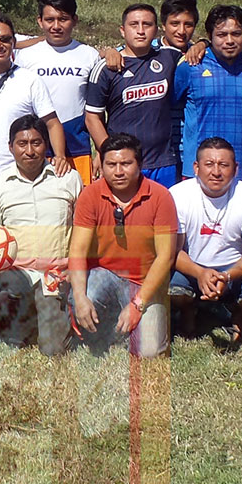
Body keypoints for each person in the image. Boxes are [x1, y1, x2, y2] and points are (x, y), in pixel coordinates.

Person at [0, 115, 82, 355]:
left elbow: (81, 230)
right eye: (22, 144)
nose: (29, 151)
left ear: (46, 145)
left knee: (53, 351)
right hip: (16, 273)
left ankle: (49, 317)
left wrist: (74, 269)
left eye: (36, 143)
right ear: (10, 147)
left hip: (55, 275)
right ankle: (19, 326)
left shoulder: (68, 178)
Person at [67, 133, 176, 357]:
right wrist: (79, 298)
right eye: (111, 164)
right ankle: (106, 329)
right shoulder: (90, 195)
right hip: (105, 273)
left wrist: (138, 304)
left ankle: (133, 324)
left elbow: (165, 257)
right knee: (83, 292)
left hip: (145, 282)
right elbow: (77, 251)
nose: (118, 171)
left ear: (140, 164)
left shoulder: (160, 196)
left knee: (150, 352)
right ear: (102, 165)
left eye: (126, 163)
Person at [168, 138, 242, 343]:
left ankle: (240, 315)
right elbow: (173, 251)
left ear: (236, 168)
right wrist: (200, 273)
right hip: (192, 267)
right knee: (171, 288)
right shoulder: (178, 194)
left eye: (224, 165)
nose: (216, 172)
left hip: (235, 270)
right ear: (196, 167)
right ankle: (188, 310)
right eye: (209, 164)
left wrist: (226, 276)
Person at [0, 14, 68, 194]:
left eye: (5, 39)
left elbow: (52, 123)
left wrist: (60, 156)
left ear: (13, 42)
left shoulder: (30, 80)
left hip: (20, 176)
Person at [85, 4, 183, 184]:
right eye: (133, 25)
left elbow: (199, 51)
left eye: (147, 24)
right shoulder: (107, 69)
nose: (140, 31)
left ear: (156, 29)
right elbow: (92, 118)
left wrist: (202, 43)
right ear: (122, 30)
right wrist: (109, 154)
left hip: (163, 163)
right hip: (124, 165)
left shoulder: (170, 57)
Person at [13, 0, 103, 181]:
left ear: (75, 20)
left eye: (63, 19)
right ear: (40, 21)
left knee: (78, 204)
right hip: (36, 148)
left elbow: (97, 109)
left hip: (77, 146)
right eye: (49, 19)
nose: (56, 26)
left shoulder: (89, 55)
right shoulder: (26, 57)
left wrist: (101, 152)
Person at [171, 5, 242, 182]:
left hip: (240, 169)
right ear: (210, 35)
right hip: (198, 169)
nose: (229, 41)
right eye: (221, 35)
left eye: (236, 34)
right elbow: (170, 104)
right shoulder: (191, 65)